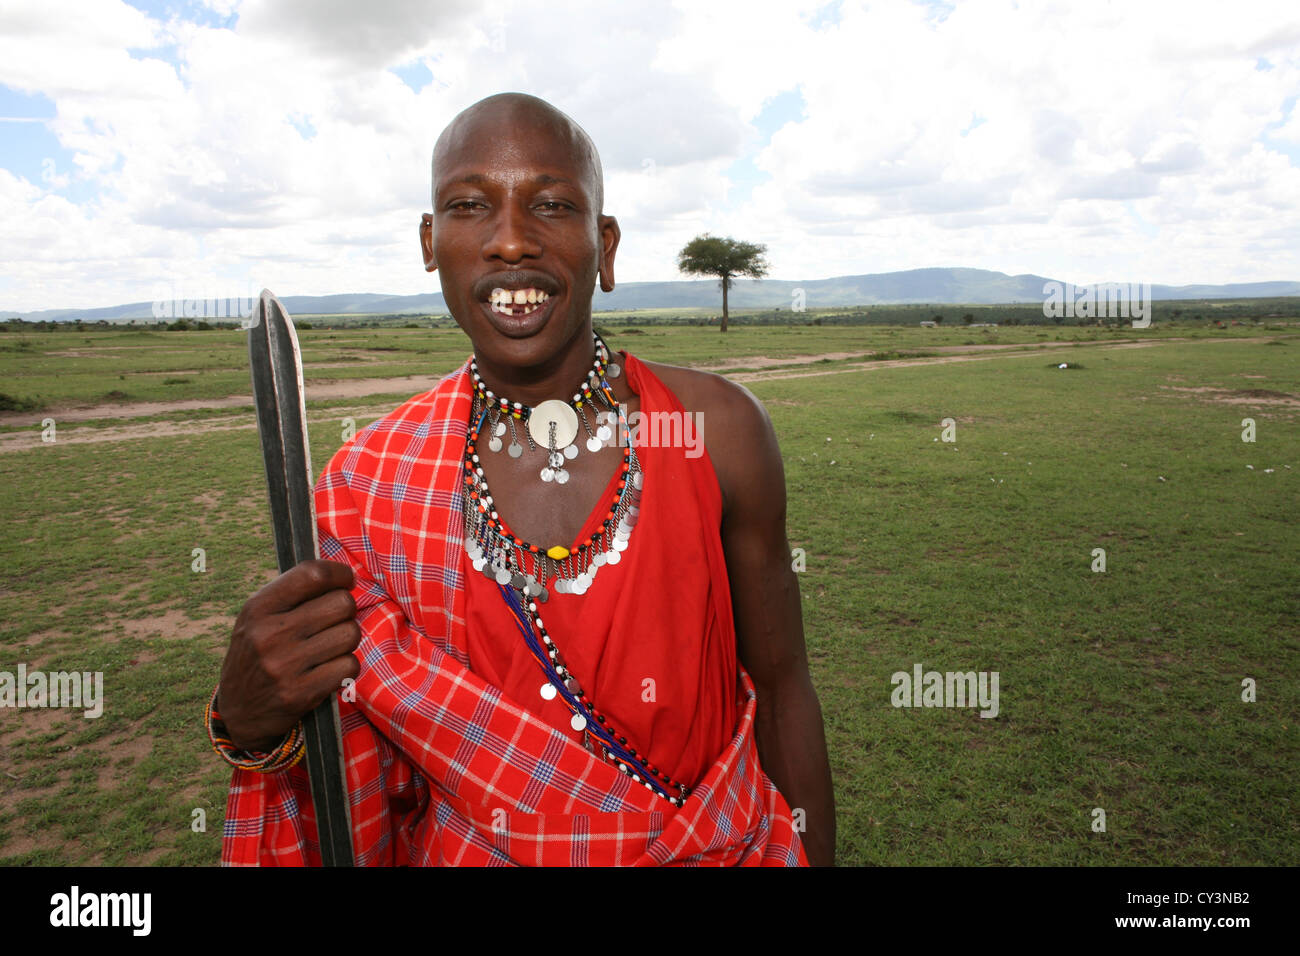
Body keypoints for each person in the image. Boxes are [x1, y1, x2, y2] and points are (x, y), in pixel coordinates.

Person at [207, 92, 835, 866]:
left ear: (603, 246)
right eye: (470, 205)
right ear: (431, 243)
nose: (510, 241)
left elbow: (783, 693)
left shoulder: (719, 429)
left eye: (552, 205)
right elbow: (347, 752)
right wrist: (251, 724)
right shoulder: (369, 481)